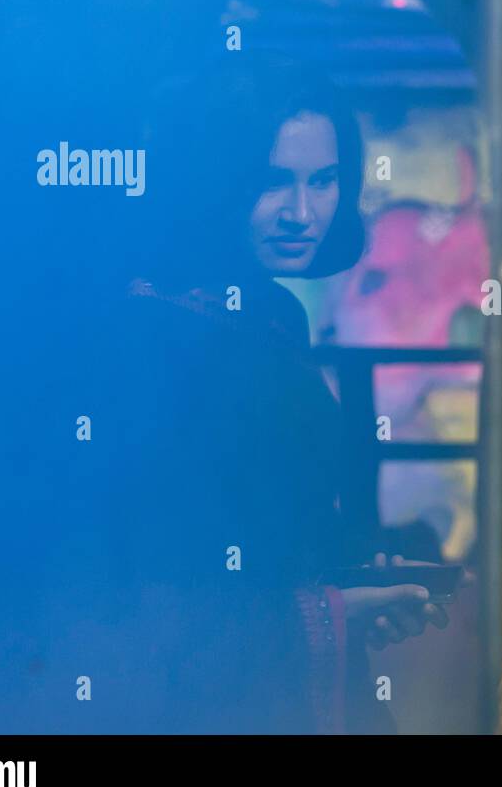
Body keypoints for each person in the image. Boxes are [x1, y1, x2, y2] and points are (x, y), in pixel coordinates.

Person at [50, 59, 448, 733]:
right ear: (216, 182)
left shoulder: (271, 312)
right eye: (272, 183)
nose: (302, 213)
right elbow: (146, 597)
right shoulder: (151, 332)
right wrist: (330, 614)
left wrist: (354, 585)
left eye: (323, 181)